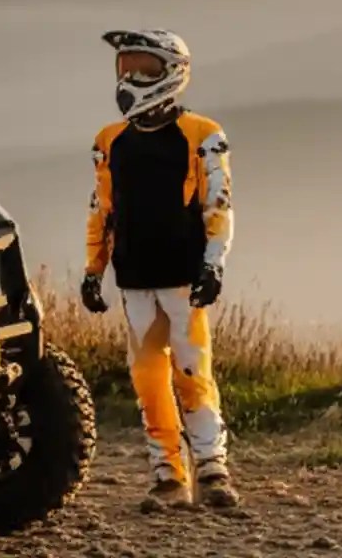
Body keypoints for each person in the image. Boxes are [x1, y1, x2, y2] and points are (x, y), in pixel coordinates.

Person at [81, 29, 240, 508]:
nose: (130, 76)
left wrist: (214, 265)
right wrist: (94, 269)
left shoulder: (203, 135)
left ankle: (212, 469)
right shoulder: (110, 140)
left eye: (143, 68)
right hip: (135, 277)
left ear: (172, 71)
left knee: (192, 371)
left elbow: (219, 204)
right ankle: (168, 475)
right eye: (125, 66)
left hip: (182, 275)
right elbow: (101, 209)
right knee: (148, 379)